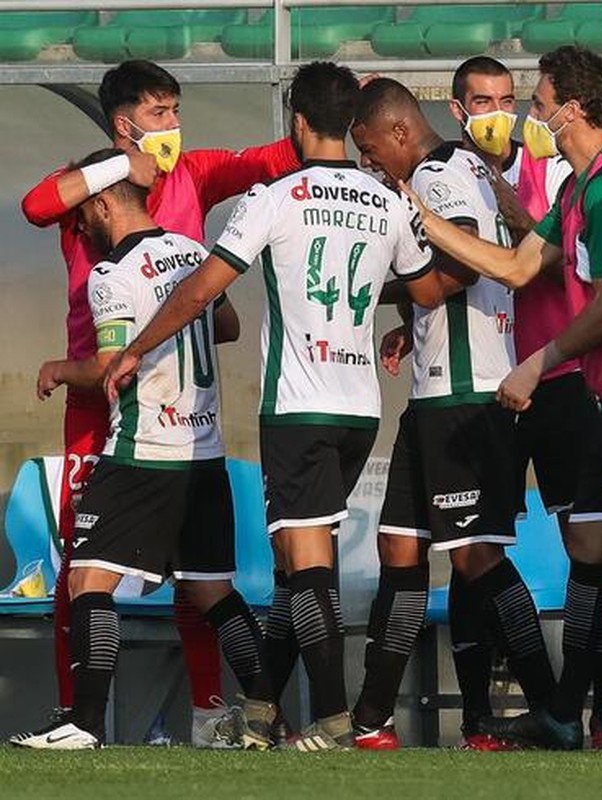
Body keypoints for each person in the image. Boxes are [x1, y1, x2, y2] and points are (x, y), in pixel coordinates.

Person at [102, 61, 426, 752]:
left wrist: (135, 351)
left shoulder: (275, 196)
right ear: (351, 124)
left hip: (300, 406)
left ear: (298, 122)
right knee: (291, 568)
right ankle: (258, 710)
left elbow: (198, 292)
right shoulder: (387, 201)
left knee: (307, 568)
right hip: (360, 407)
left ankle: (335, 720)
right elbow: (424, 289)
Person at [20, 58, 300, 747]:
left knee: (88, 573)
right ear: (123, 126)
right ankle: (260, 712)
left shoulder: (124, 253)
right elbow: (37, 205)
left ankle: (103, 720)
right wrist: (120, 171)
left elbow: (269, 158)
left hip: (129, 416)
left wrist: (63, 366)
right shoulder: (182, 244)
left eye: (176, 111)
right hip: (192, 430)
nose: (173, 126)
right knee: (209, 586)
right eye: (159, 114)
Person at [404, 45, 602, 750]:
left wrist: (535, 363)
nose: (527, 115)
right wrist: (420, 215)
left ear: (572, 110)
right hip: (593, 390)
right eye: (495, 103)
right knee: (586, 545)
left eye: (538, 101)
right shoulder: (576, 190)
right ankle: (559, 713)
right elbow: (519, 268)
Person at [346, 77, 557, 751]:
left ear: (400, 132)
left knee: (475, 556)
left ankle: (554, 709)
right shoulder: (471, 164)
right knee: (400, 547)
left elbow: (458, 262)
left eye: (370, 145)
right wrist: (411, 316)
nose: (369, 160)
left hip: (469, 396)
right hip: (434, 393)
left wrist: (363, 292)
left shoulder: (436, 173)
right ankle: (372, 720)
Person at [446, 55, 602, 749]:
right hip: (493, 381)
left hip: (561, 383)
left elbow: (538, 253)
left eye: (511, 99)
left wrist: (505, 200)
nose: (502, 112)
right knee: (472, 542)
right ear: (459, 111)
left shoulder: (564, 170)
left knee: (592, 548)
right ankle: (478, 718)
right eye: (483, 102)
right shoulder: (449, 172)